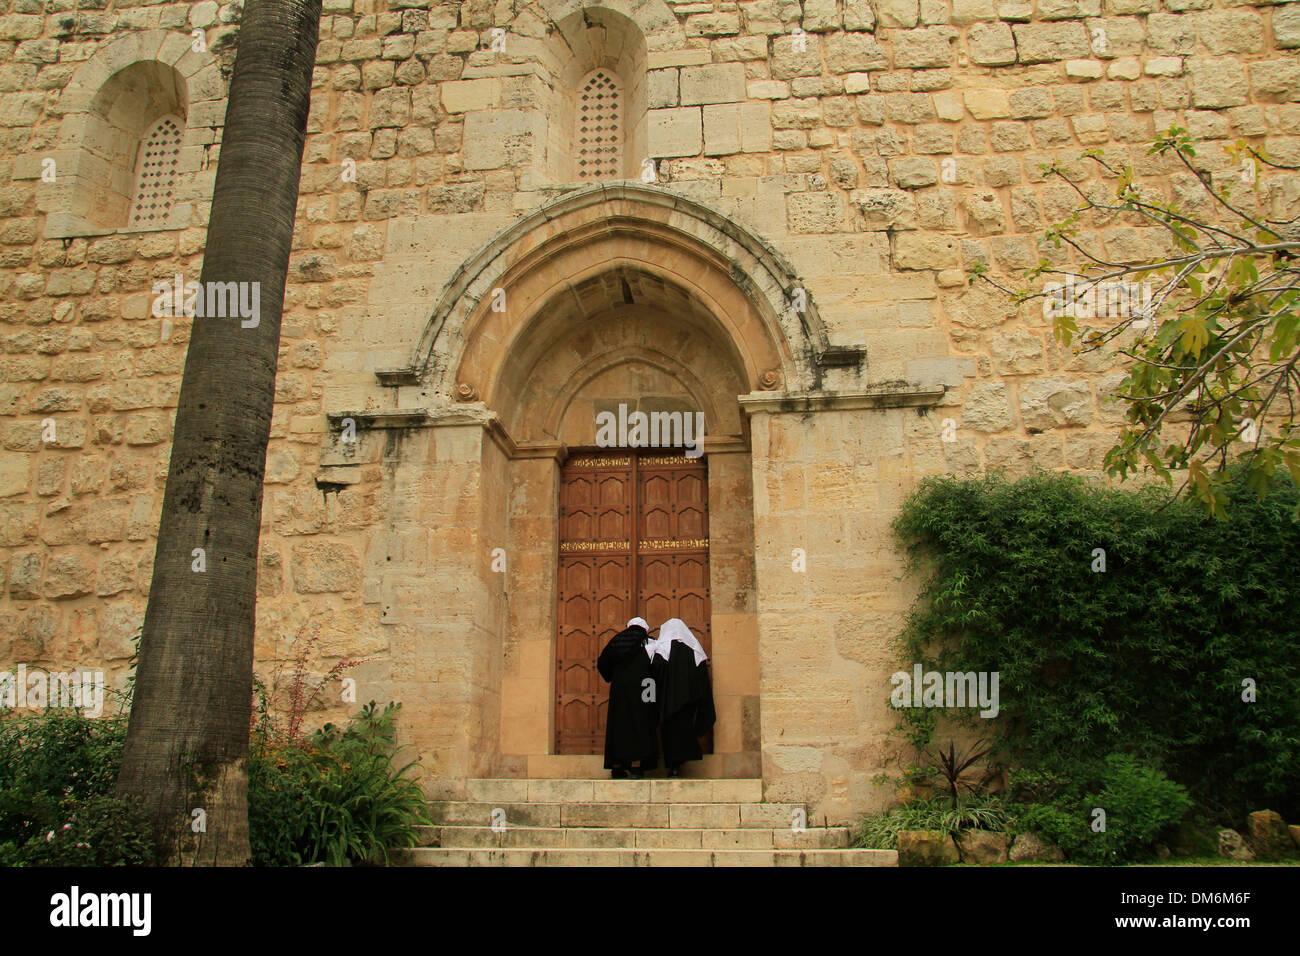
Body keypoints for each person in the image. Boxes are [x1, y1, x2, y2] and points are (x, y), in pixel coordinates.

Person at [647, 618, 716, 777]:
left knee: (670, 734)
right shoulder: (694, 649)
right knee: (684, 731)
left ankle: (673, 767)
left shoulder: (662, 649)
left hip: (667, 703)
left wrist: (648, 699)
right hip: (688, 704)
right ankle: (678, 767)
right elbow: (701, 678)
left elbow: (652, 674)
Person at [596, 616, 659, 779]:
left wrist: (613, 677)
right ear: (645, 629)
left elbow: (602, 663)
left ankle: (617, 767)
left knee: (619, 725)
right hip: (646, 688)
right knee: (641, 723)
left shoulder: (615, 642)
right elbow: (656, 667)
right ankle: (636, 768)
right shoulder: (650, 643)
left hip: (619, 691)